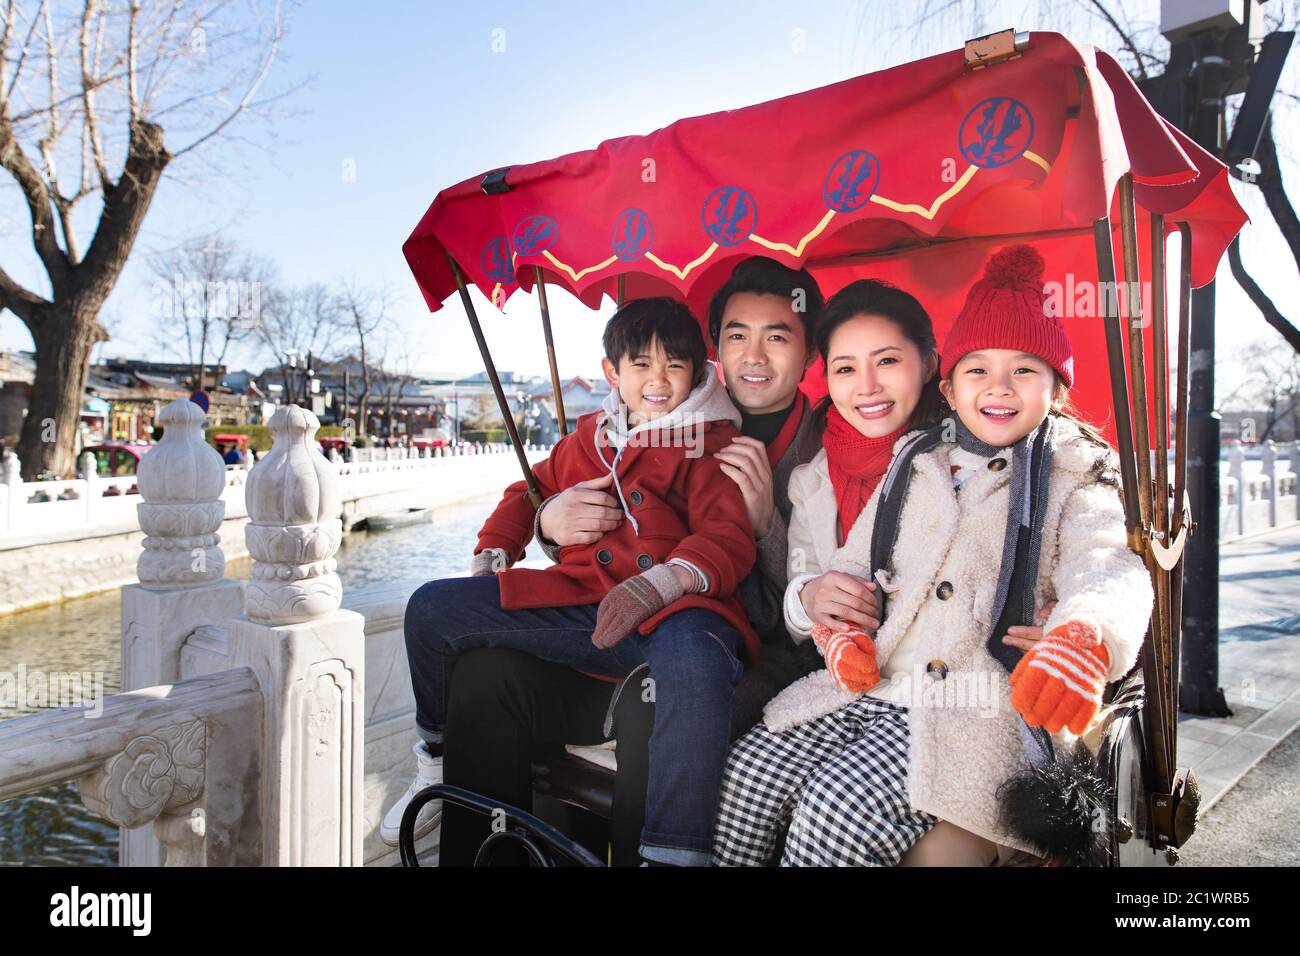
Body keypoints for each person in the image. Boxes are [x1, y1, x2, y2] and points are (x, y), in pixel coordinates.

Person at [711, 245, 1154, 867]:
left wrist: (1083, 629)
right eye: (980, 372)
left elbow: (1105, 564)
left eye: (1024, 371)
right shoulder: (918, 462)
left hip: (976, 698)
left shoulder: (1072, 473)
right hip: (876, 682)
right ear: (953, 383)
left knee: (835, 812)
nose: (998, 388)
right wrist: (831, 623)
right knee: (746, 777)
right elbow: (856, 561)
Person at [433, 257, 829, 865]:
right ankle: (486, 853)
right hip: (618, 622)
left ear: (809, 353)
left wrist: (766, 528)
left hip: (746, 649)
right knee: (486, 674)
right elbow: (565, 498)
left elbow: (822, 589)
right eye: (736, 336)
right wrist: (547, 523)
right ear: (714, 351)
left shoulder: (826, 443)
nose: (755, 355)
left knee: (669, 685)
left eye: (776, 336)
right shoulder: (634, 426)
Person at [384, 296, 757, 867]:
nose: (658, 380)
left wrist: (663, 582)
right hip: (585, 612)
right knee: (433, 608)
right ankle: (433, 756)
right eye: (641, 365)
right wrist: (498, 549)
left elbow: (728, 537)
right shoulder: (587, 440)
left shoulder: (713, 442)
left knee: (697, 658)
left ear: (698, 371)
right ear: (613, 372)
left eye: (675, 366)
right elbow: (525, 491)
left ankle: (674, 853)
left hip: (674, 617)